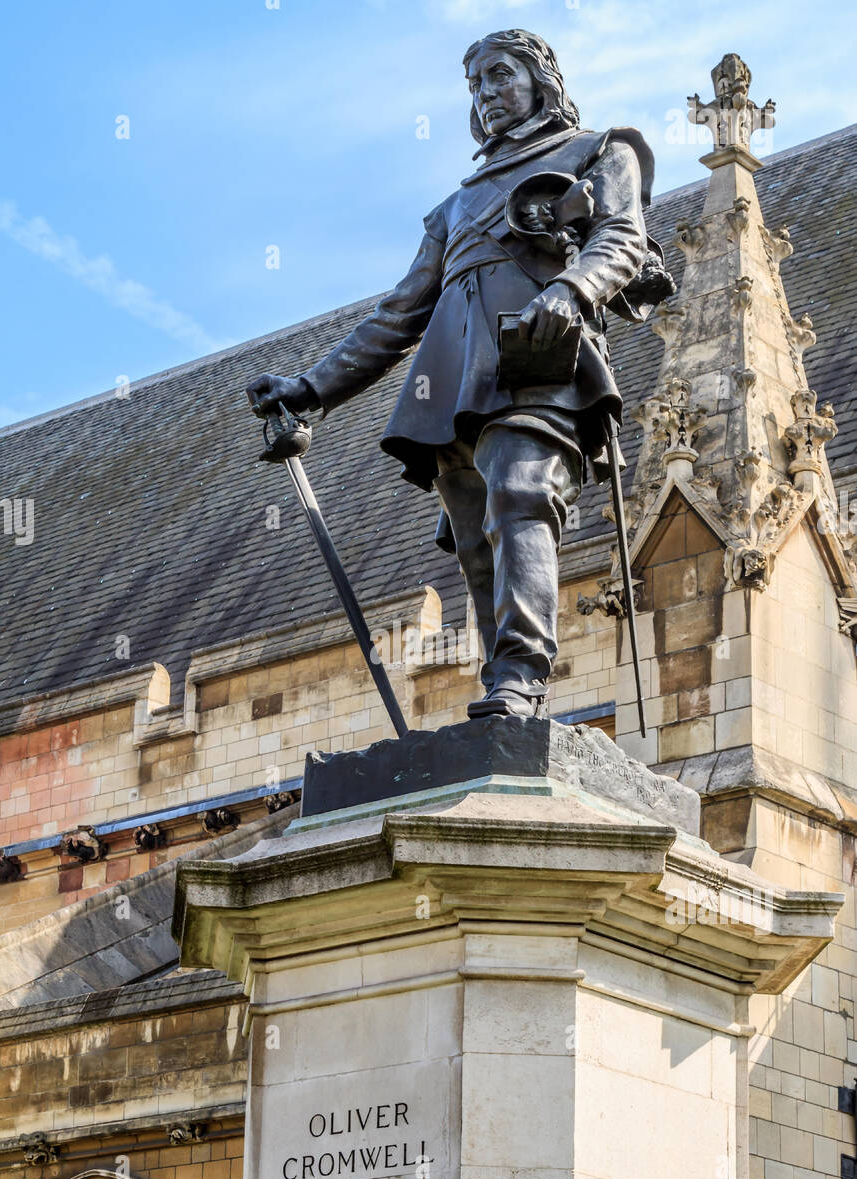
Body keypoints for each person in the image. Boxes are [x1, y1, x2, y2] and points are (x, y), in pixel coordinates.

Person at [247, 28, 669, 718]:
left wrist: (568, 292)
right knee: (475, 538)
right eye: (476, 86)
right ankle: (500, 682)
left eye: (501, 76)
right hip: (451, 378)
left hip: (540, 358)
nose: (488, 94)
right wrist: (311, 387)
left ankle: (523, 674)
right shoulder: (455, 205)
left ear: (541, 79)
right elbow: (398, 313)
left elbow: (621, 238)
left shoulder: (599, 150)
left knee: (521, 490)